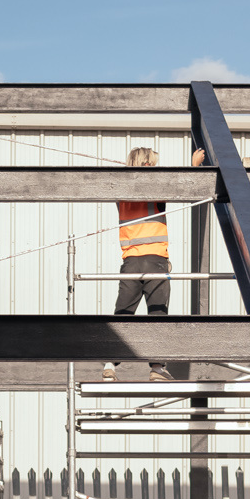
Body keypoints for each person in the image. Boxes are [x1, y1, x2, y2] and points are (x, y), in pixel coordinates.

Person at [102, 146, 205, 383]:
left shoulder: (121, 193)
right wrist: (194, 166)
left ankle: (110, 365)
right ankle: (157, 368)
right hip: (155, 260)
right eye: (153, 165)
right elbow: (181, 187)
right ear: (148, 165)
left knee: (123, 313)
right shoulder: (155, 190)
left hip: (130, 262)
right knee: (158, 313)